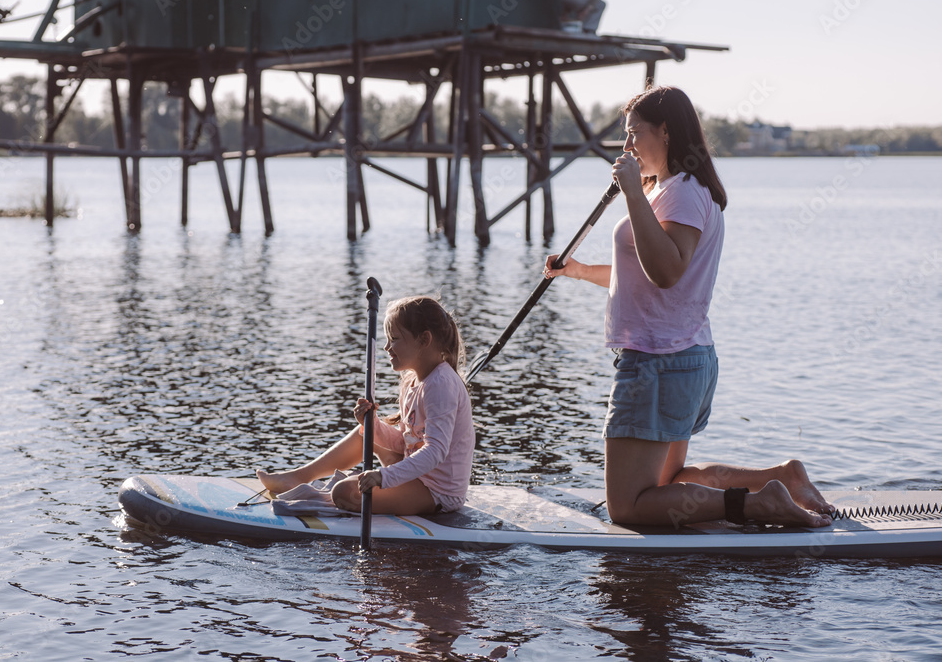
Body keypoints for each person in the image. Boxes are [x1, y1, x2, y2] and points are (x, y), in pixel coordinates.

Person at [544, 86, 835, 529]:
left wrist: (632, 196)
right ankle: (780, 479)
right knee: (671, 482)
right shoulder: (673, 191)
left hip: (660, 363)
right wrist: (579, 271)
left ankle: (760, 504)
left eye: (634, 133)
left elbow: (667, 271)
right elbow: (643, 274)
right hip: (683, 358)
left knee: (628, 507)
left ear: (664, 131)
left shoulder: (680, 192)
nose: (627, 147)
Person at [257, 295, 475, 516]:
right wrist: (373, 426)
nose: (386, 347)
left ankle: (323, 495)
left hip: (437, 492)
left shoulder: (441, 385)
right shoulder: (412, 381)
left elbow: (436, 450)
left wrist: (384, 477)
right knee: (365, 432)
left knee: (343, 493)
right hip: (417, 474)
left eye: (395, 338)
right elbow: (405, 443)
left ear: (423, 340)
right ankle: (297, 478)